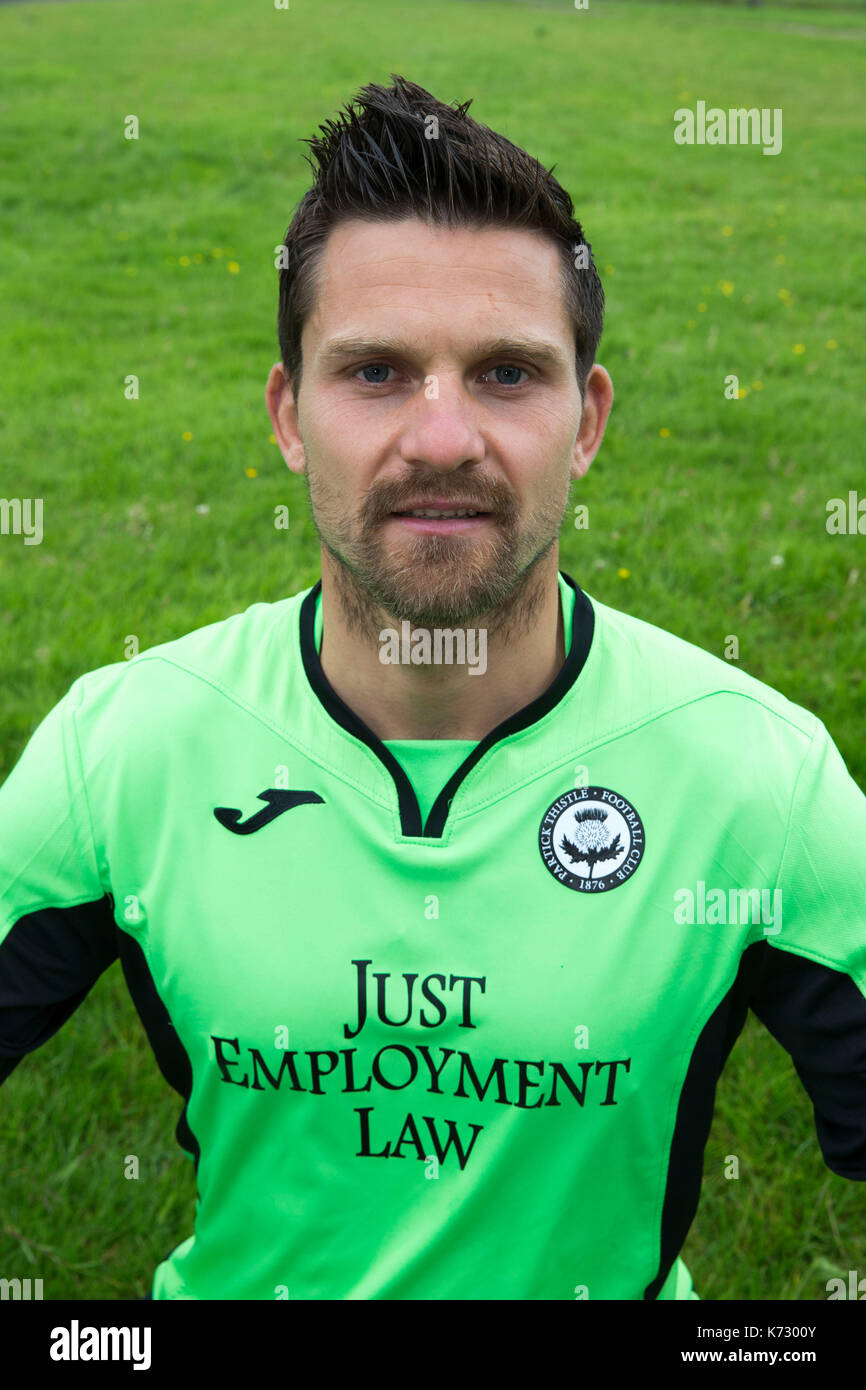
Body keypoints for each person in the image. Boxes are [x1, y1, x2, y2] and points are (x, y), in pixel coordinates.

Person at [1, 75, 864, 1302]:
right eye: (376, 373)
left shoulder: (749, 777)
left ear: (587, 422)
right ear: (289, 414)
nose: (444, 436)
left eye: (507, 374)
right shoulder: (128, 745)